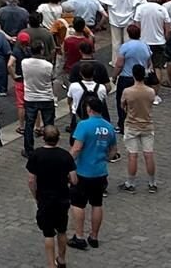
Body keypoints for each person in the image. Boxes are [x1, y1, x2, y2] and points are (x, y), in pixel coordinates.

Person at [66, 101, 113, 252]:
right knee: (97, 204)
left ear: (89, 109)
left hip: (83, 172)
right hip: (100, 171)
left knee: (78, 204)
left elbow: (77, 148)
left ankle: (79, 236)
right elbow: (112, 151)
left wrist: (65, 162)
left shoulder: (83, 125)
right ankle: (94, 236)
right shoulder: (108, 127)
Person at [25, 126, 74, 268]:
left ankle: (50, 264)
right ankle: (62, 259)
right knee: (62, 230)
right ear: (58, 138)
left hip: (45, 198)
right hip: (62, 197)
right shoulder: (65, 155)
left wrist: (35, 195)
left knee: (48, 233)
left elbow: (31, 180)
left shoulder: (36, 155)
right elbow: (74, 178)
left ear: (43, 138)